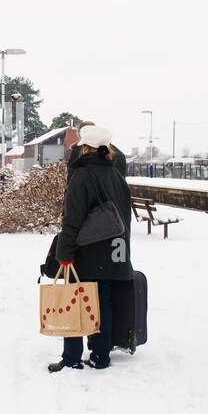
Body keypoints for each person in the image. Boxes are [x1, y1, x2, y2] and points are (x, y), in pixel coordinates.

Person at [50, 124, 133, 372]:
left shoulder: (82, 176)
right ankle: (100, 356)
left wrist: (64, 254)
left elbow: (71, 220)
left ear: (85, 148)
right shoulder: (117, 176)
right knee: (103, 305)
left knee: (75, 304)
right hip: (112, 252)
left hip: (86, 252)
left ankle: (72, 358)